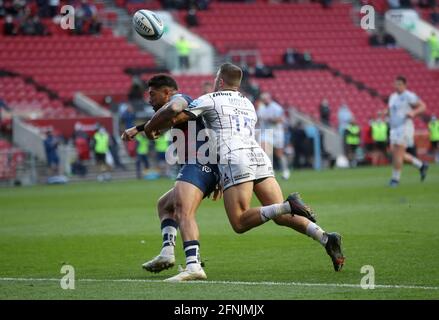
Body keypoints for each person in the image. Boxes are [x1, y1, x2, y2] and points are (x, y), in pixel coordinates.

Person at [144, 63, 345, 281]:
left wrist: (145, 128)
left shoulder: (210, 98)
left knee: (240, 222)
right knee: (281, 217)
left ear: (220, 81)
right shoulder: (248, 103)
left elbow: (176, 115)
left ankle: (288, 205)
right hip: (258, 155)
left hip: (234, 157)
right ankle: (325, 237)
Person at [121, 75, 221, 281]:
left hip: (200, 163)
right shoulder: (179, 113)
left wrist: (145, 128)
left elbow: (174, 109)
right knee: (165, 205)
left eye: (152, 94)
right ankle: (167, 254)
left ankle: (193, 265)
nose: (149, 99)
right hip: (199, 165)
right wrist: (140, 129)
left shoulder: (182, 98)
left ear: (167, 92)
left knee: (184, 210)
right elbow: (167, 120)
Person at [387, 76, 428, 187]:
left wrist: (413, 113)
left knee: (398, 154)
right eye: (396, 84)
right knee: (396, 153)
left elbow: (423, 106)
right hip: (394, 128)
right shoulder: (392, 97)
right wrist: (385, 114)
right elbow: (392, 111)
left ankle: (395, 179)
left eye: (400, 84)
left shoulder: (409, 96)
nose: (397, 86)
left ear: (405, 85)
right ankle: (421, 165)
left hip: (404, 127)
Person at [258, 92, 290, 180]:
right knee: (264, 150)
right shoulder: (261, 108)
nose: (264, 101)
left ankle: (285, 171)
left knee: (279, 154)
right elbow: (259, 118)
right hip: (266, 132)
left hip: (277, 132)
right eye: (263, 99)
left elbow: (281, 119)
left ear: (269, 98)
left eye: (265, 99)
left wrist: (271, 119)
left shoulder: (276, 107)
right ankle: (270, 170)